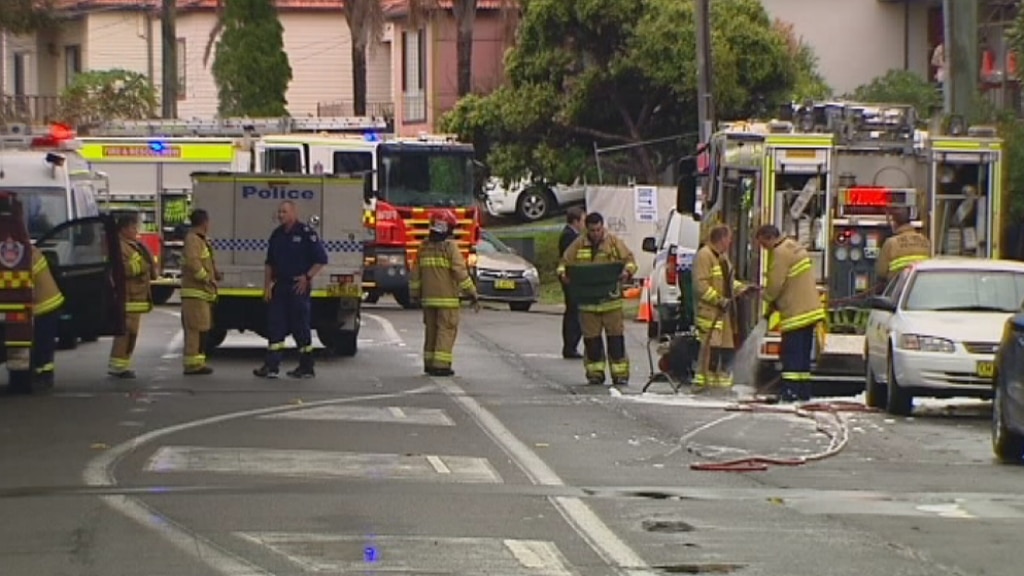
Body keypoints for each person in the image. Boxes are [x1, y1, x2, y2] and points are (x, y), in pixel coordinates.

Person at [557, 212, 638, 386]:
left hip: (611, 302)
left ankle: (620, 374)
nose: (595, 233)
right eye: (592, 230)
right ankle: (595, 373)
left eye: (598, 229)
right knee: (592, 342)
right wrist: (564, 275)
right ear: (587, 229)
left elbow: (630, 260)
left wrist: (627, 272)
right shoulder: (578, 245)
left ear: (603, 227)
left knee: (616, 341)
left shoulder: (614, 243)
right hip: (588, 305)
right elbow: (563, 262)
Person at [254, 201, 328, 379]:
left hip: (297, 287)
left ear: (294, 213)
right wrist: (267, 287)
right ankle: (272, 366)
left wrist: (307, 277)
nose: (280, 215)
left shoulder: (305, 233)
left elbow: (321, 259)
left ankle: (306, 366)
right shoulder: (277, 235)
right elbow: (270, 263)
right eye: (279, 212)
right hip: (280, 286)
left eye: (284, 212)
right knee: (275, 325)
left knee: (300, 326)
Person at [755, 225, 826, 402]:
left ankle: (791, 391)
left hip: (796, 313)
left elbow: (775, 285)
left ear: (769, 237)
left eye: (763, 243)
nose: (764, 248)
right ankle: (803, 391)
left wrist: (766, 297)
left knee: (792, 355)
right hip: (810, 310)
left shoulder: (779, 253)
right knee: (802, 355)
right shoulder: (793, 246)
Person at [409, 210, 479, 376]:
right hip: (447, 300)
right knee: (446, 331)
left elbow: (415, 274)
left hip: (428, 300)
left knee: (431, 331)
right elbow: (460, 272)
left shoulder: (423, 247)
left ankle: (429, 362)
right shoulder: (450, 248)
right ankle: (440, 365)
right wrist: (472, 292)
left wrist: (414, 294)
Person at [693, 224, 750, 390]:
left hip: (723, 315)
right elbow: (700, 286)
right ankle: (704, 383)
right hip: (710, 313)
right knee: (710, 351)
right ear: (722, 239)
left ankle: (718, 383)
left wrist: (744, 289)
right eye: (729, 239)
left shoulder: (722, 258)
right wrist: (719, 300)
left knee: (723, 349)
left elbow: (729, 282)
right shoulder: (704, 256)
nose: (730, 242)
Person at [109, 213, 156, 379]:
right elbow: (123, 270)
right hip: (128, 298)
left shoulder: (132, 245)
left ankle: (123, 365)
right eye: (132, 227)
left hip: (135, 298)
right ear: (123, 229)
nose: (135, 230)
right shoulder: (120, 247)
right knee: (126, 334)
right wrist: (143, 266)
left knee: (131, 334)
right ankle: (117, 366)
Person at [180, 209, 220, 376]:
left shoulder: (200, 240)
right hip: (195, 293)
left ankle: (197, 363)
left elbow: (203, 261)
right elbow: (193, 262)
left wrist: (214, 274)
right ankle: (192, 365)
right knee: (195, 329)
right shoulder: (193, 239)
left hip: (201, 293)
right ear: (204, 222)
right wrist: (205, 278)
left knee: (202, 328)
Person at [30, 246, 64, 389]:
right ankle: (42, 374)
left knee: (43, 343)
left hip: (46, 305)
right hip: (49, 302)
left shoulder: (27, 255)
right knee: (42, 342)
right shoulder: (31, 251)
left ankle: (45, 376)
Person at [875, 207, 930, 285]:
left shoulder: (891, 243)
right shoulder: (925, 240)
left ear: (895, 223)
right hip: (920, 285)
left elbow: (881, 272)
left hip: (897, 288)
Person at [558, 207, 585, 359]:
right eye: (582, 221)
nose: (584, 225)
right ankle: (570, 346)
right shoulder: (569, 236)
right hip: (570, 279)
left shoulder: (573, 235)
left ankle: (571, 345)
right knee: (573, 313)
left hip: (572, 279)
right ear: (575, 221)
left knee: (574, 312)